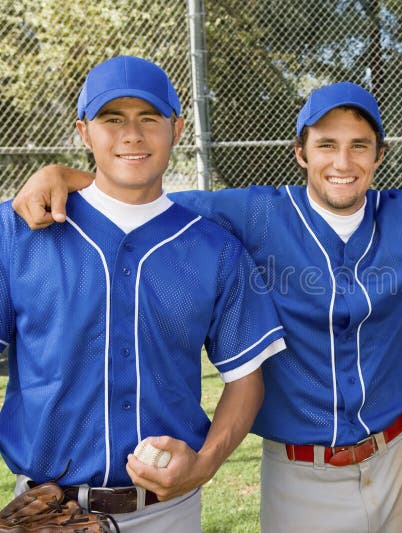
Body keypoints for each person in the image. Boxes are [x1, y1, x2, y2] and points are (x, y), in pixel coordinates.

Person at [10, 78, 402, 532]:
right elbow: (135, 195)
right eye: (325, 144)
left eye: (360, 145)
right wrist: (60, 174)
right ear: (300, 154)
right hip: (299, 471)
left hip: (396, 458)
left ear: (377, 156)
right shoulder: (251, 214)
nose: (342, 161)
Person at [0, 56, 286, 532]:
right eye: (112, 119)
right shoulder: (21, 230)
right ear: (83, 132)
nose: (131, 135)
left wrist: (206, 462)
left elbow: (246, 378)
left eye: (148, 118)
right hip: (42, 510)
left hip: (164, 511)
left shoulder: (214, 248)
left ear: (176, 128)